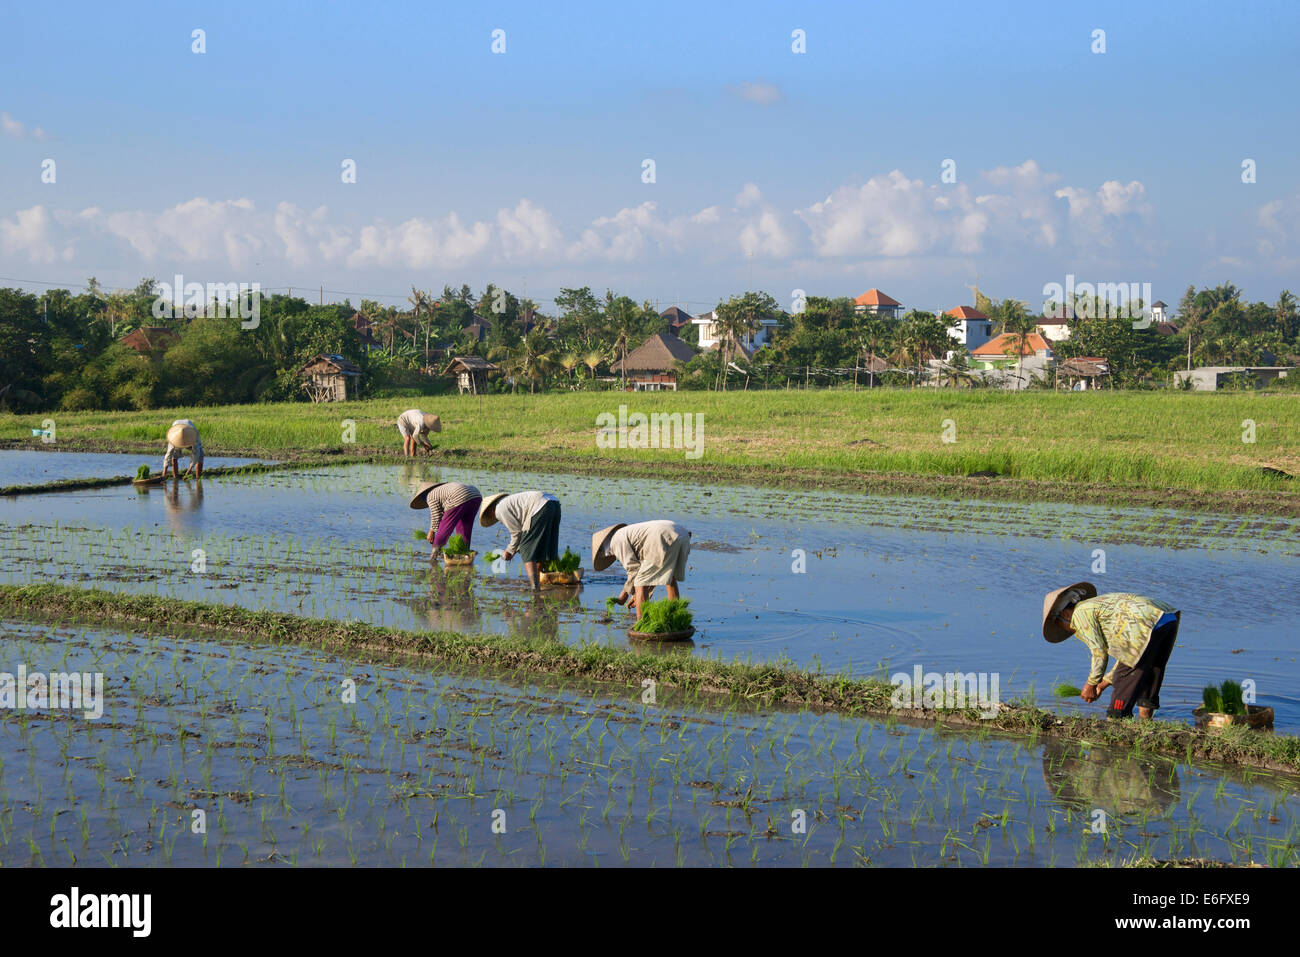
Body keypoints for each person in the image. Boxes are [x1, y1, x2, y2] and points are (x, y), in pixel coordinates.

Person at [1042, 581, 1180, 720]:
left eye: (1059, 623)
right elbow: (1128, 658)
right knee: (1150, 670)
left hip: (1144, 623)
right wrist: (1103, 684)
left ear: (1065, 614)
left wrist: (1091, 683)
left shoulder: (1080, 614)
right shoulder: (1096, 606)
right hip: (1166, 618)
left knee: (1123, 680)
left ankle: (1116, 720)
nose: (1065, 628)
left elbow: (1099, 652)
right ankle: (1146, 721)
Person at [591, 520, 691, 618]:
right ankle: (676, 615)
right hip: (681, 534)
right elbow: (649, 572)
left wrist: (623, 597)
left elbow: (634, 570)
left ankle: (642, 621)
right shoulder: (624, 533)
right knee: (669, 576)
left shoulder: (616, 541)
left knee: (640, 582)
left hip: (661, 537)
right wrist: (634, 594)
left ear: (602, 550)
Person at [479, 490, 561, 589]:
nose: (494, 518)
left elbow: (516, 533)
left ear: (490, 510)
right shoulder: (507, 502)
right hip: (554, 503)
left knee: (527, 550)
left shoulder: (499, 509)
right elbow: (524, 531)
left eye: (489, 515)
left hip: (540, 506)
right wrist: (516, 548)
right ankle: (540, 580)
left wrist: (509, 551)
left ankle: (534, 587)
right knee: (542, 546)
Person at [410, 481, 482, 558]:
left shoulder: (430, 495)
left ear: (423, 495)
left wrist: (432, 531)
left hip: (459, 495)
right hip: (476, 495)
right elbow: (441, 513)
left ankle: (434, 555)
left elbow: (436, 515)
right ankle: (463, 553)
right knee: (464, 527)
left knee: (444, 527)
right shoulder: (441, 490)